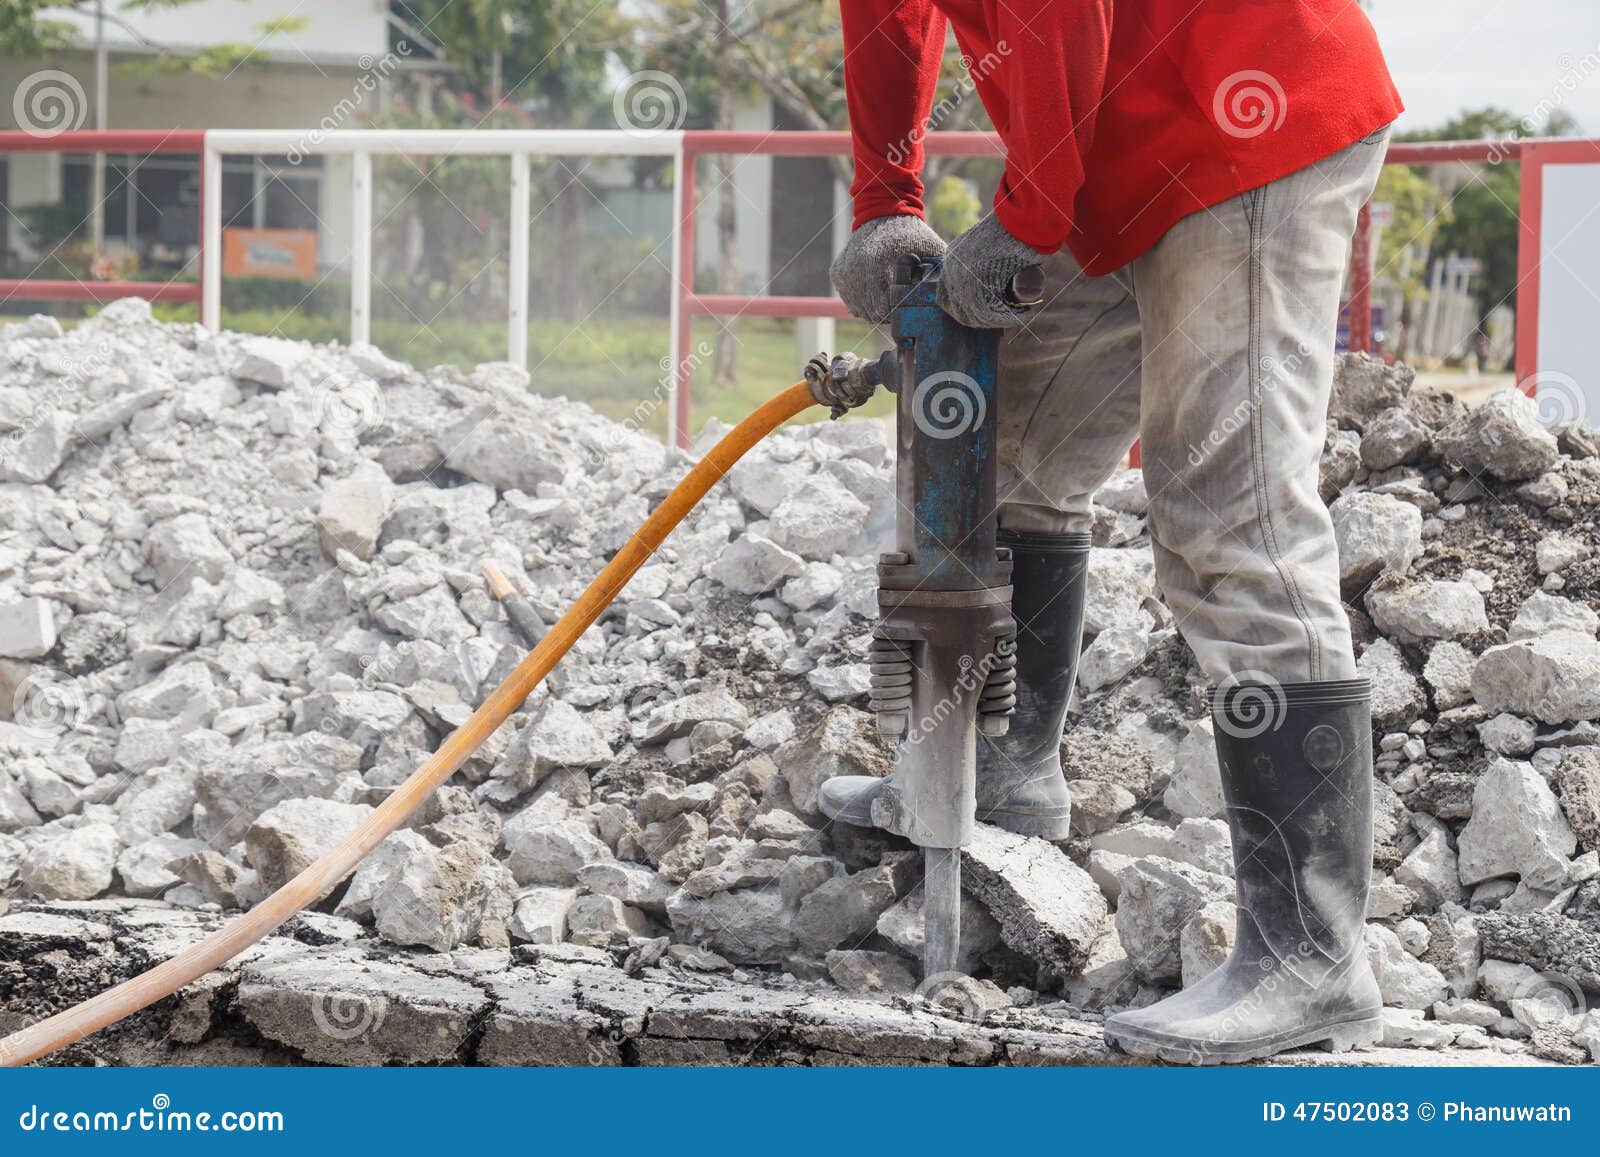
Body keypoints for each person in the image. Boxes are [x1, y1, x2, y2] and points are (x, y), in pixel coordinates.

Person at [819, 0, 1403, 1064]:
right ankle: (1000, 774)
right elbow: (890, 11)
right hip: (1109, 145)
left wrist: (1033, 214)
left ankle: (1311, 958)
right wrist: (881, 200)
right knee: (994, 450)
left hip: (1245, 114)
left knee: (1229, 510)